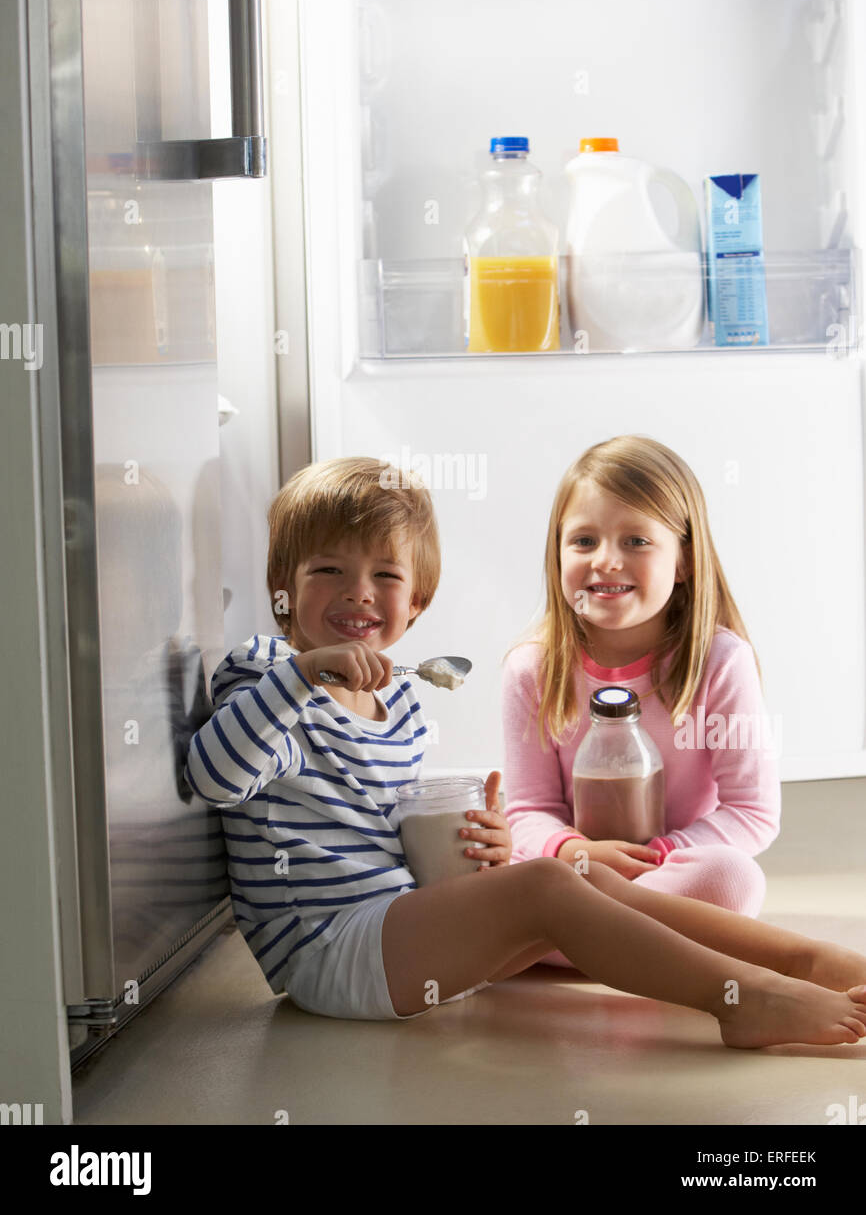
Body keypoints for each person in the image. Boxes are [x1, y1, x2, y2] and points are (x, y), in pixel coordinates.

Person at [184, 455, 866, 1048]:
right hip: (331, 951)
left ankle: (811, 962)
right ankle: (741, 1000)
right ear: (283, 586)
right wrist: (300, 676)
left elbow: (390, 843)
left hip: (394, 927)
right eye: (328, 570)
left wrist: (478, 846)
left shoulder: (406, 706)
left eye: (385, 576)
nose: (359, 592)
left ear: (416, 601)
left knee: (579, 880)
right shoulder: (266, 672)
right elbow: (215, 777)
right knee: (547, 884)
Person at [502, 435, 785, 968]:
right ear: (557, 552)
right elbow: (528, 810)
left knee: (731, 879)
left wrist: (652, 859)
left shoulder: (720, 662)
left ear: (683, 561)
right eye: (584, 541)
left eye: (636, 541)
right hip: (571, 872)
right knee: (467, 862)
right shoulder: (531, 668)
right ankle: (628, 940)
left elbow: (752, 812)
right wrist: (572, 851)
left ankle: (562, 938)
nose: (606, 561)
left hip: (666, 870)